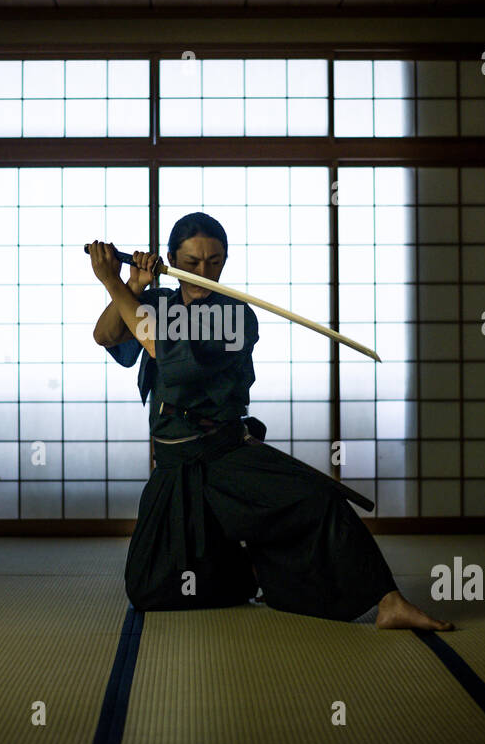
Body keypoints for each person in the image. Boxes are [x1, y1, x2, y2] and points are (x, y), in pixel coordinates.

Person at [89, 212, 453, 631]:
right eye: (190, 262)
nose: (203, 270)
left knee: (317, 498)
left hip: (222, 451)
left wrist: (112, 283)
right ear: (171, 258)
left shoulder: (234, 317)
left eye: (214, 261)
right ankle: (248, 573)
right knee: (148, 588)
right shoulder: (154, 303)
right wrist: (131, 285)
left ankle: (388, 601)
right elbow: (107, 336)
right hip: (174, 464)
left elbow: (164, 353)